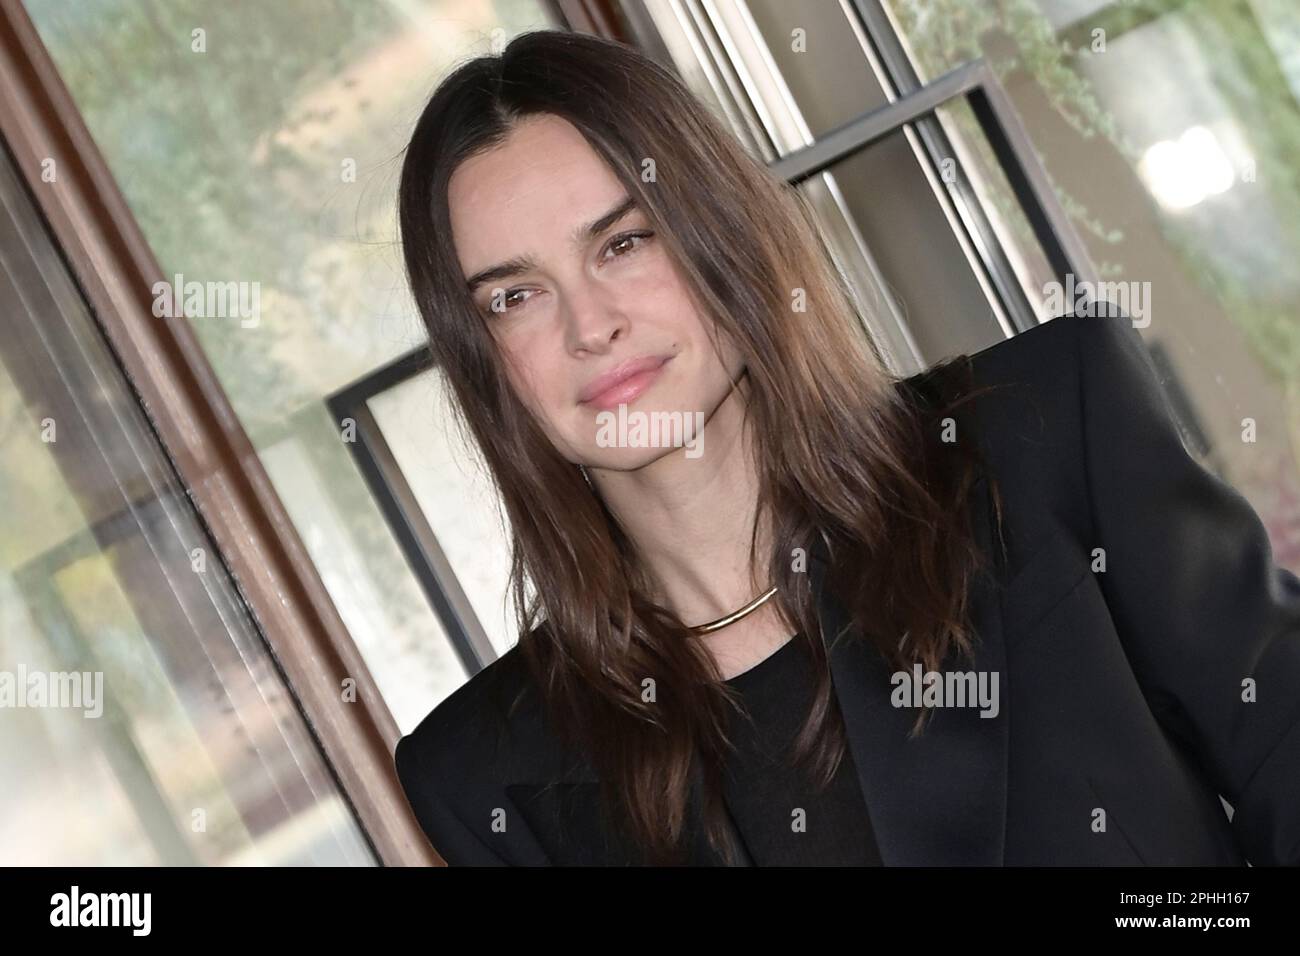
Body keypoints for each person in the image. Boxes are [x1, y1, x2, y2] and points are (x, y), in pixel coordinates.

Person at [392, 29, 1300, 866]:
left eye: (624, 241)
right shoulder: (481, 776)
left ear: (723, 234)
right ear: (483, 363)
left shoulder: (1044, 434)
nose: (591, 325)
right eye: (514, 296)